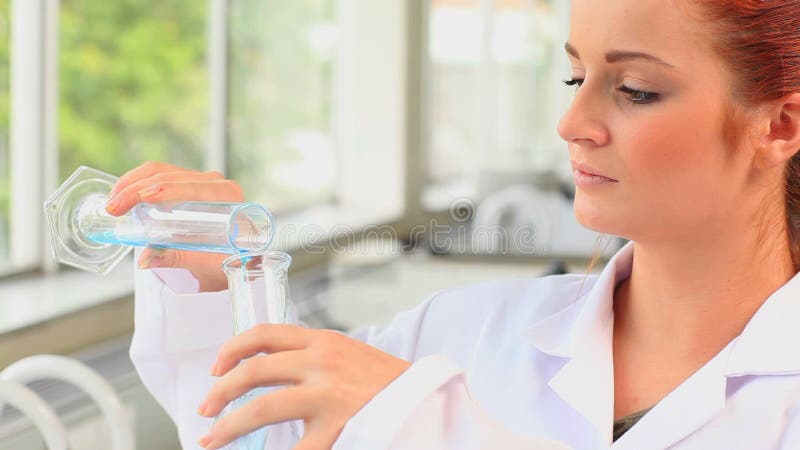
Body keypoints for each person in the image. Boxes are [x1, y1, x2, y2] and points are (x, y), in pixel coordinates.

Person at [113, 0, 800, 448]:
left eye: (635, 90)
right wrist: (213, 287)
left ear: (780, 125)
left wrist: (425, 425)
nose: (571, 122)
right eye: (575, 77)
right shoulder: (455, 333)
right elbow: (258, 433)